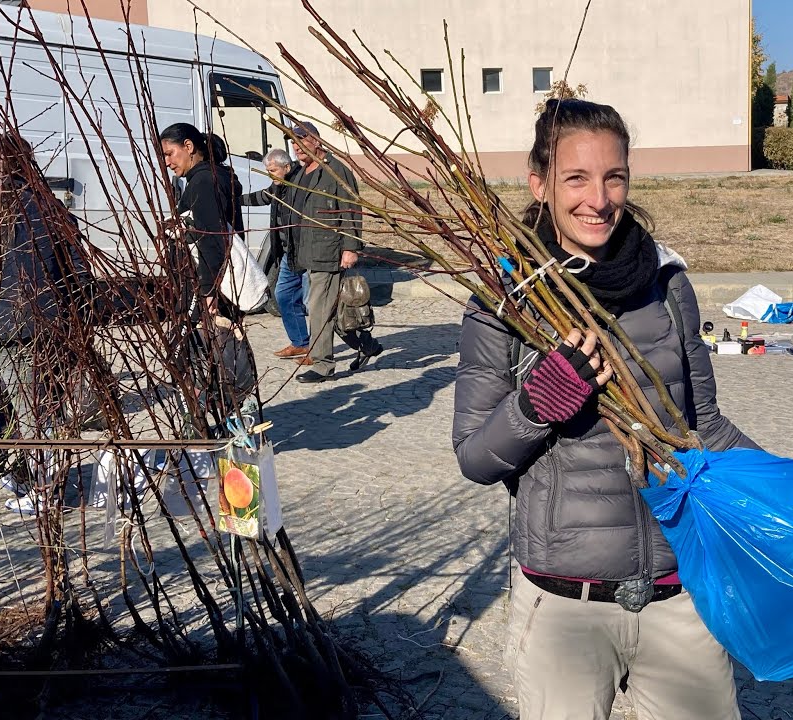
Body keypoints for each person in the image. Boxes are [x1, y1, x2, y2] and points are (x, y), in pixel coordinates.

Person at [452, 99, 757, 720]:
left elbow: (703, 426)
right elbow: (475, 458)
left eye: (614, 177)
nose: (599, 199)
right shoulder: (507, 301)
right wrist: (536, 405)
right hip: (564, 603)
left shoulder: (667, 286)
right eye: (576, 178)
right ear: (539, 184)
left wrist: (790, 491)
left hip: (680, 591)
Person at [0, 132, 104, 510]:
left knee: (21, 409)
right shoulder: (48, 206)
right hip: (49, 323)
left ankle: (41, 490)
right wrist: (80, 317)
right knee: (40, 408)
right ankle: (38, 481)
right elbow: (77, 269)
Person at [159, 122, 255, 428]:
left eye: (170, 153)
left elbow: (212, 239)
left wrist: (208, 290)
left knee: (194, 355)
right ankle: (225, 418)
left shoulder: (203, 182)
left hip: (207, 285)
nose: (167, 162)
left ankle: (209, 424)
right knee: (215, 354)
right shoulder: (213, 177)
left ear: (189, 147)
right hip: (212, 283)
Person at [281, 122, 381, 383]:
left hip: (329, 251)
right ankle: (366, 344)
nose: (296, 146)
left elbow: (351, 209)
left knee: (318, 308)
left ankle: (323, 365)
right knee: (329, 310)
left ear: (316, 141)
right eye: (293, 142)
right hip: (306, 251)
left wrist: (351, 247)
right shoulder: (300, 172)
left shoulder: (335, 170)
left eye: (301, 140)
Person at [241, 148, 310, 358]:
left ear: (286, 167)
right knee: (284, 295)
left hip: (306, 253)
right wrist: (232, 199)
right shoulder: (279, 186)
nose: (270, 175)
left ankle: (357, 343)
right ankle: (300, 342)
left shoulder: (300, 184)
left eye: (273, 170)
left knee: (314, 303)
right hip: (289, 254)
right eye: (268, 171)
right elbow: (261, 197)